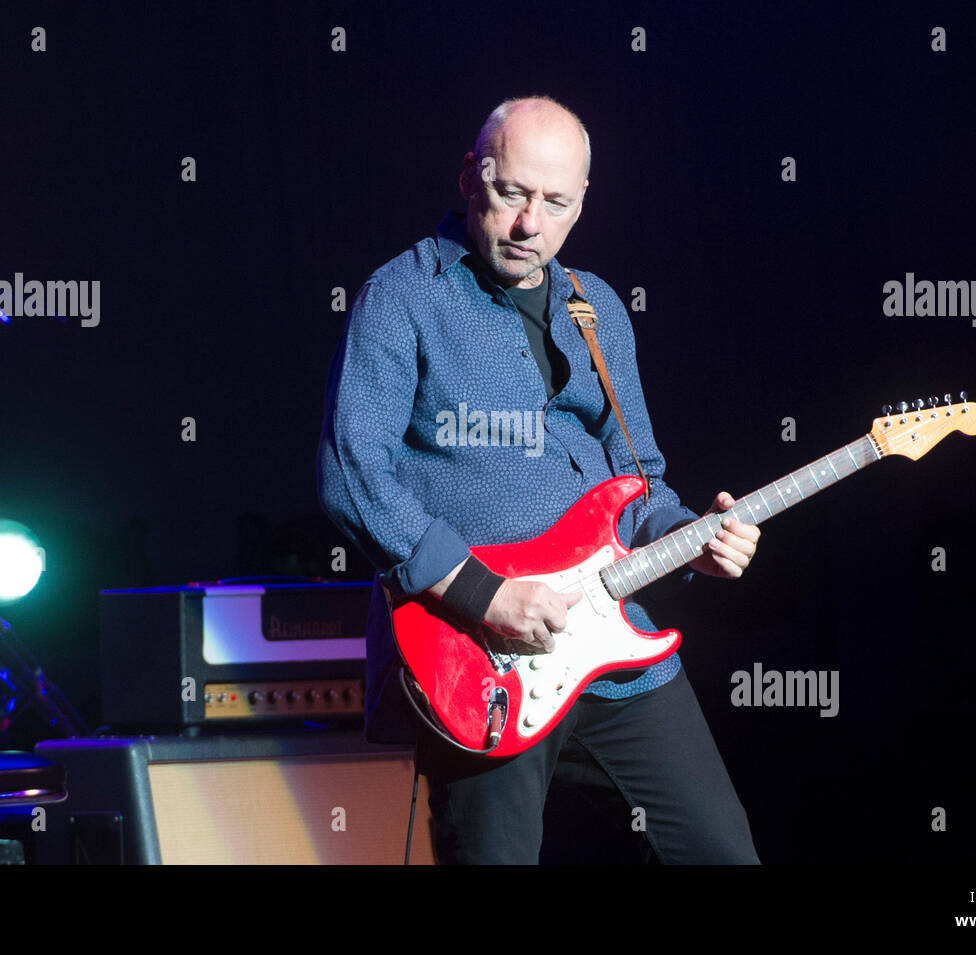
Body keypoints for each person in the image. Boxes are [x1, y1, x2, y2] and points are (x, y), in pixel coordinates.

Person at [318, 95, 761, 864]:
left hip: (615, 649)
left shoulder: (599, 309)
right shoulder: (403, 295)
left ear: (582, 202)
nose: (531, 226)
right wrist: (484, 594)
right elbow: (351, 474)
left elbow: (639, 481)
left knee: (722, 850)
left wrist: (691, 538)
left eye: (556, 203)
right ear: (470, 177)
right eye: (513, 194)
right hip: (477, 659)